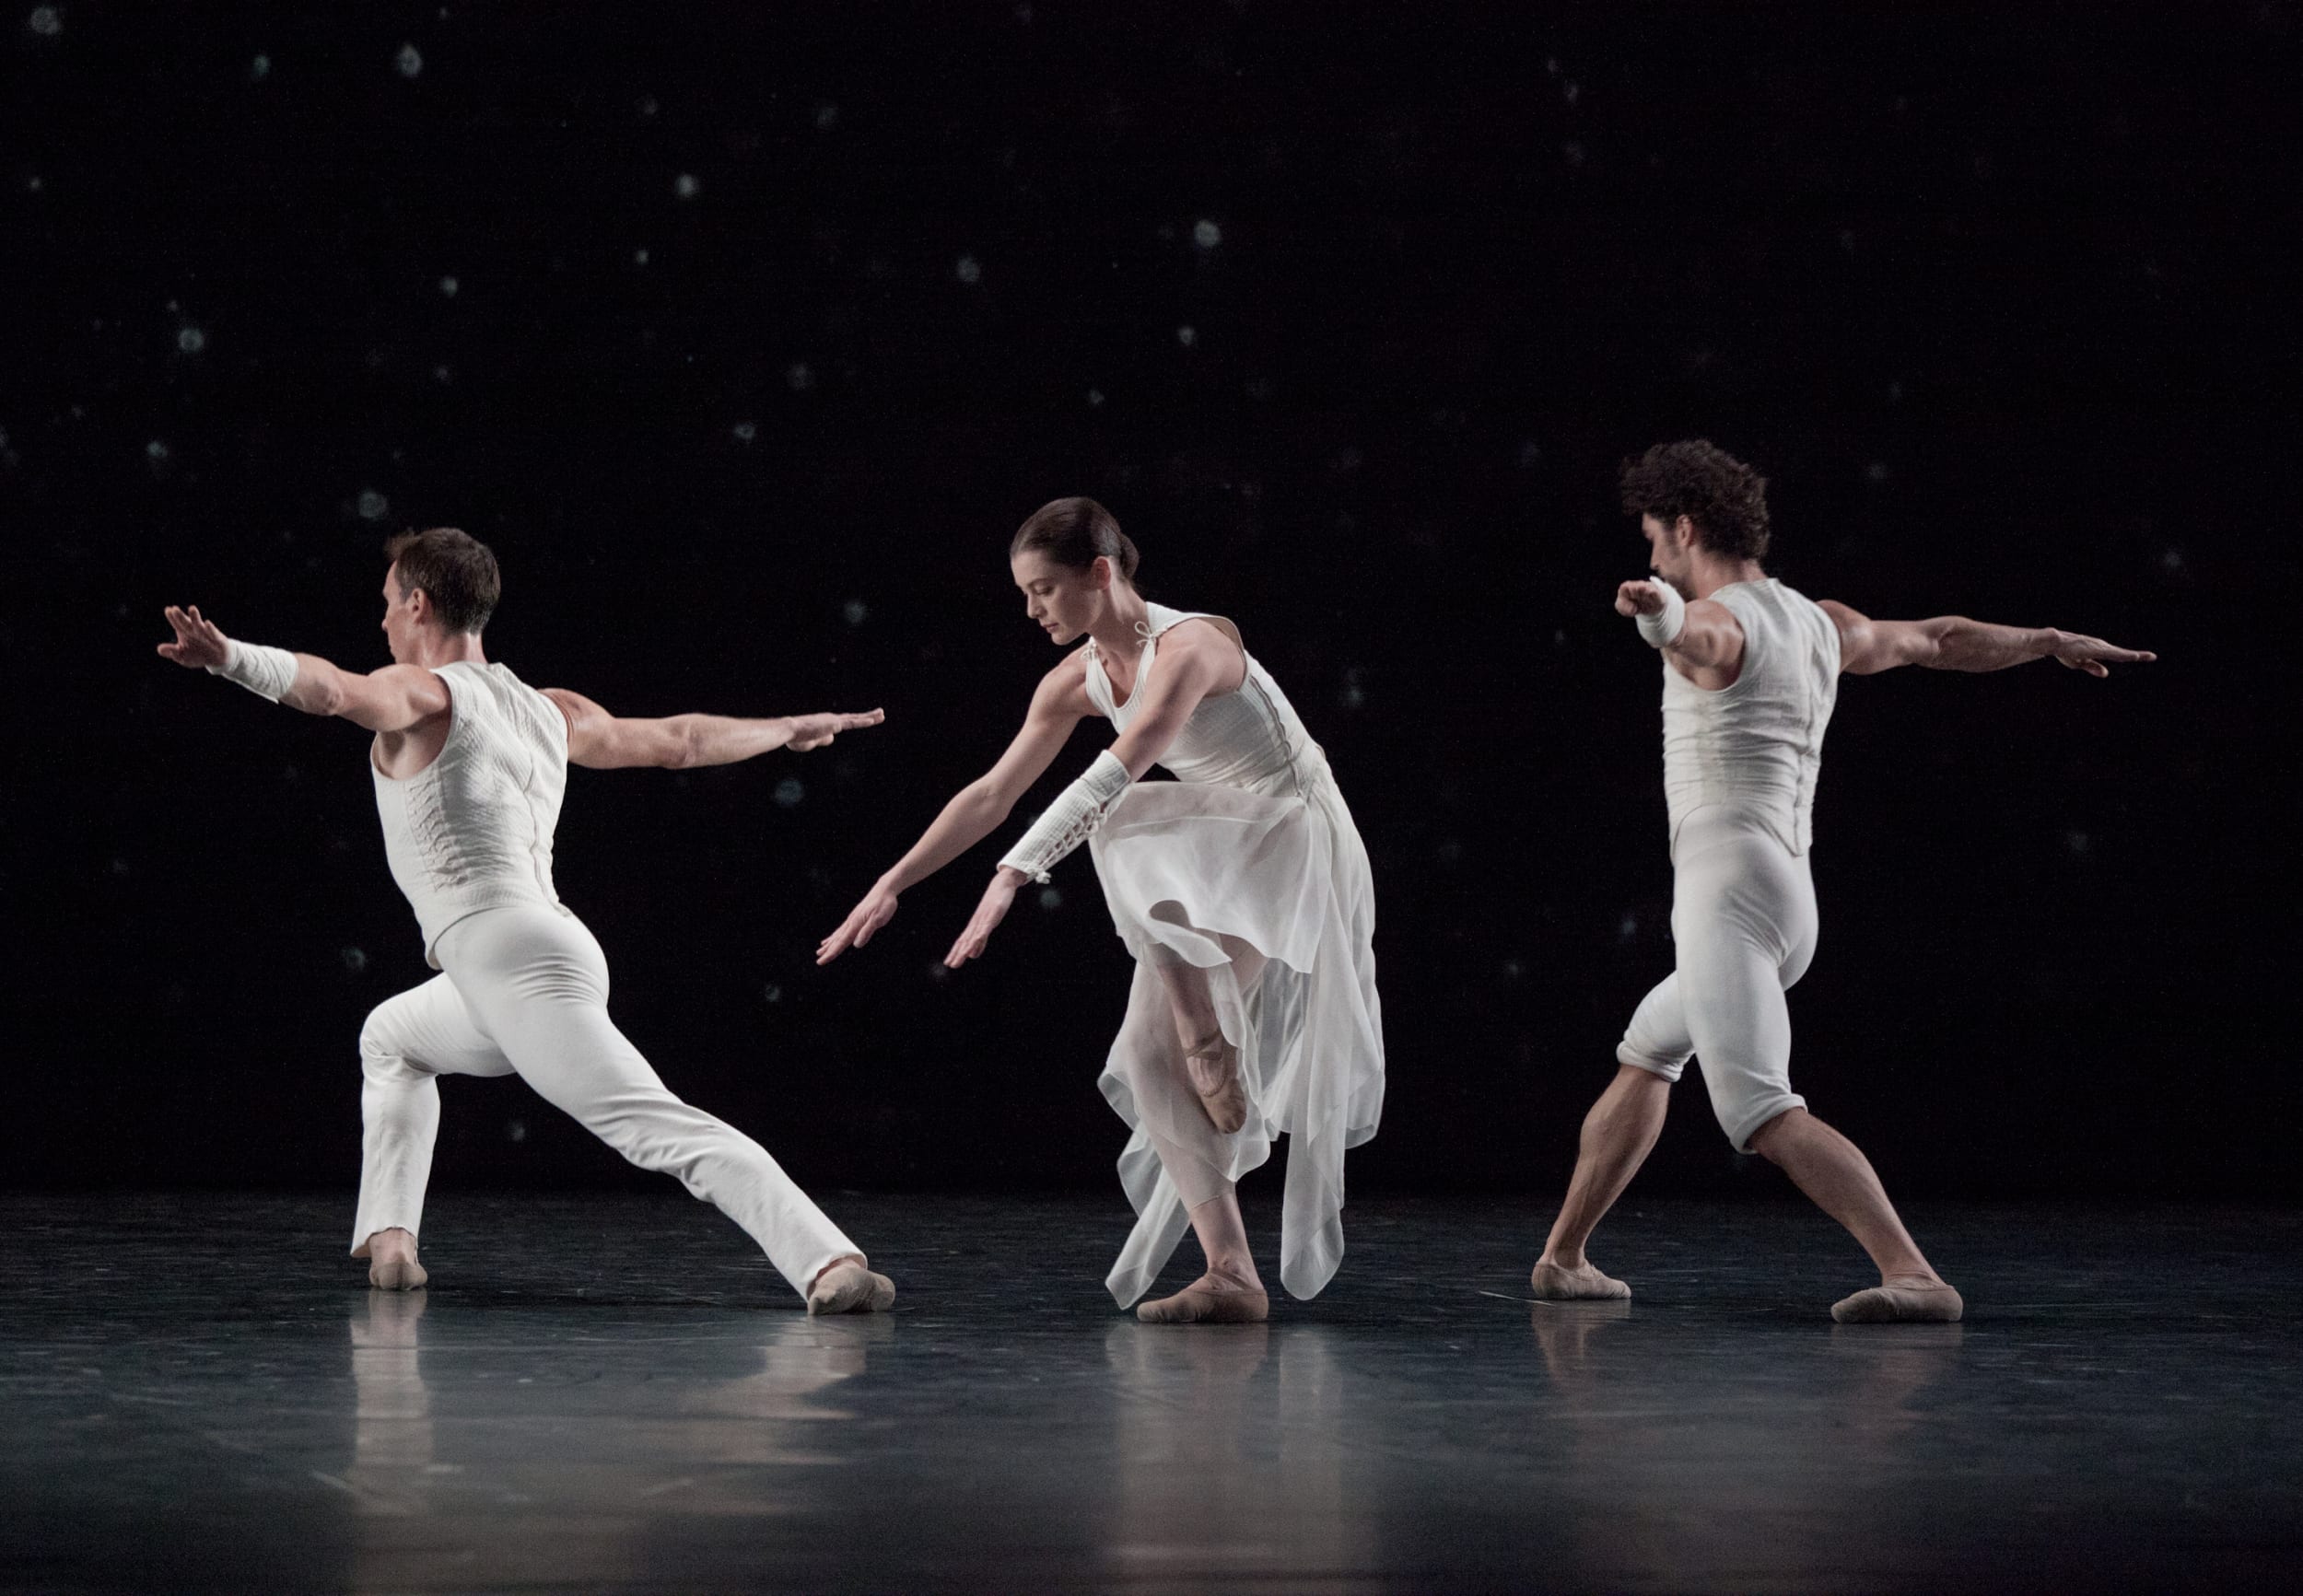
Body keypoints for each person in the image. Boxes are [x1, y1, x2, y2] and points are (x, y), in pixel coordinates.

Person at [157, 527, 894, 1314]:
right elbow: (678, 742)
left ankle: (826, 1261)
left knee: (652, 1124)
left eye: (386, 605)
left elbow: (333, 691)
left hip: (510, 955)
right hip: (520, 955)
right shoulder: (549, 710)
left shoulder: (425, 693)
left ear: (417, 602)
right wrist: (786, 728)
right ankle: (392, 1242)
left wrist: (230, 657)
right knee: (391, 1038)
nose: (381, 623)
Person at [1533, 441, 2155, 1322]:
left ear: (1684, 527)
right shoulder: (1822, 621)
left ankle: (1914, 1276)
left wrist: (1659, 618)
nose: (1649, 560)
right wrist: (2046, 640)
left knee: (1758, 1110)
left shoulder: (1725, 622)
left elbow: (1698, 635)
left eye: (1654, 542)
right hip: (1789, 899)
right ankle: (1563, 1257)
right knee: (1649, 1048)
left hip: (1726, 900)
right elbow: (1939, 639)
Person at [817, 498, 1384, 1323]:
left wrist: (1017, 872)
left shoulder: (1194, 645)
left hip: (1298, 835)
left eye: (1045, 588)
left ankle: (1206, 1033)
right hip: (1218, 851)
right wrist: (895, 880)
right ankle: (1231, 1271)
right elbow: (992, 792)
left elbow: (1123, 766)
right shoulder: (1073, 680)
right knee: (1147, 1058)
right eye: (1024, 592)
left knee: (1119, 814)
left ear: (1102, 572)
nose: (1032, 609)